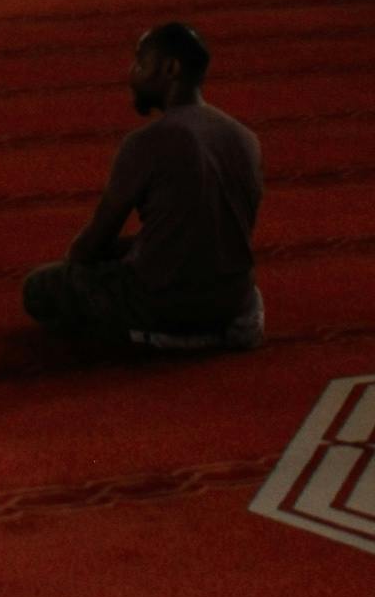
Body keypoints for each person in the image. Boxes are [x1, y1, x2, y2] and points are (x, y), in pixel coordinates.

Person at [22, 21, 264, 352]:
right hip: (234, 298)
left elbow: (93, 241)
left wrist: (77, 263)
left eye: (140, 63)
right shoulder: (245, 138)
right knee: (135, 249)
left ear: (170, 69)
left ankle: (164, 336)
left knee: (40, 287)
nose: (132, 74)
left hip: (166, 302)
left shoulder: (147, 142)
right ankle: (220, 326)